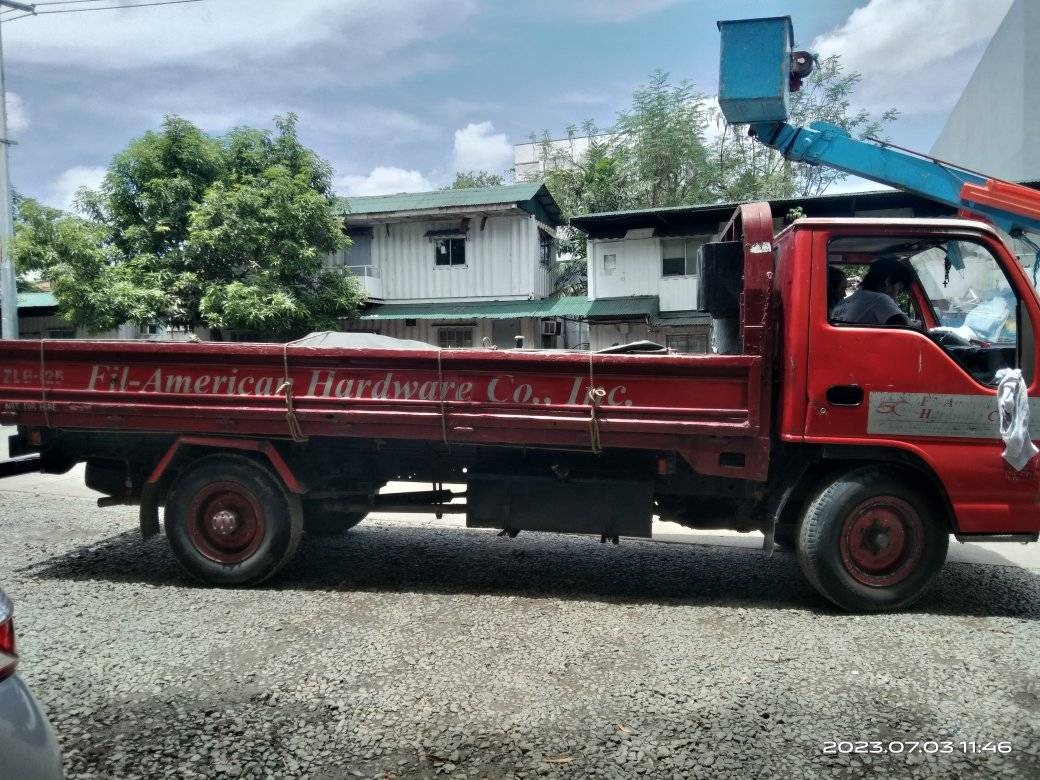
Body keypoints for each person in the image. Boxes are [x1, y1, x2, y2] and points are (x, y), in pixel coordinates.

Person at [830, 256, 914, 326]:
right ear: (888, 281)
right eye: (898, 289)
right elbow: (906, 330)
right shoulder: (880, 299)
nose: (896, 295)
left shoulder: (843, 303)